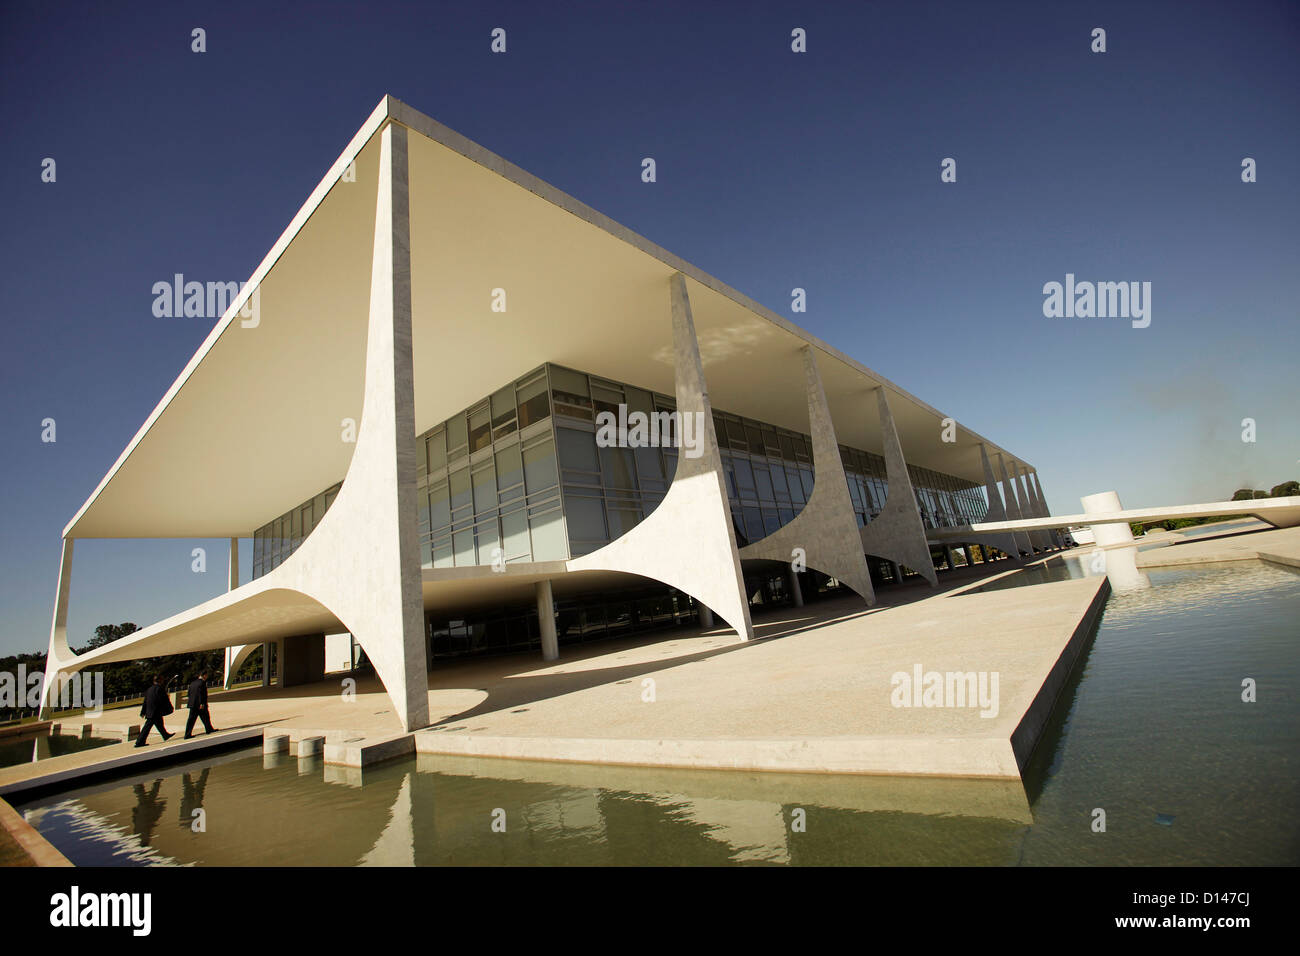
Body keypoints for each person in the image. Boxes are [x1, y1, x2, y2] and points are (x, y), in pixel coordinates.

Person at [134, 674, 174, 747]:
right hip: (155, 711)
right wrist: (170, 708)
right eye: (162, 679)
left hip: (150, 711)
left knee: (159, 724)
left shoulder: (149, 689)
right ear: (159, 680)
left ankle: (165, 735)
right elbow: (164, 700)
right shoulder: (160, 689)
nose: (163, 681)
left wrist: (143, 712)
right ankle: (139, 742)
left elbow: (145, 701)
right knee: (147, 727)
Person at [184, 670, 220, 738]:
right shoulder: (202, 683)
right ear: (204, 675)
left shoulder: (192, 683)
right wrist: (202, 703)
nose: (207, 676)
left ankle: (188, 734)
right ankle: (208, 729)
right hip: (200, 704)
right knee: (205, 717)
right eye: (206, 675)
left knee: (192, 719)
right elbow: (201, 694)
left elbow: (189, 694)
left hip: (192, 704)